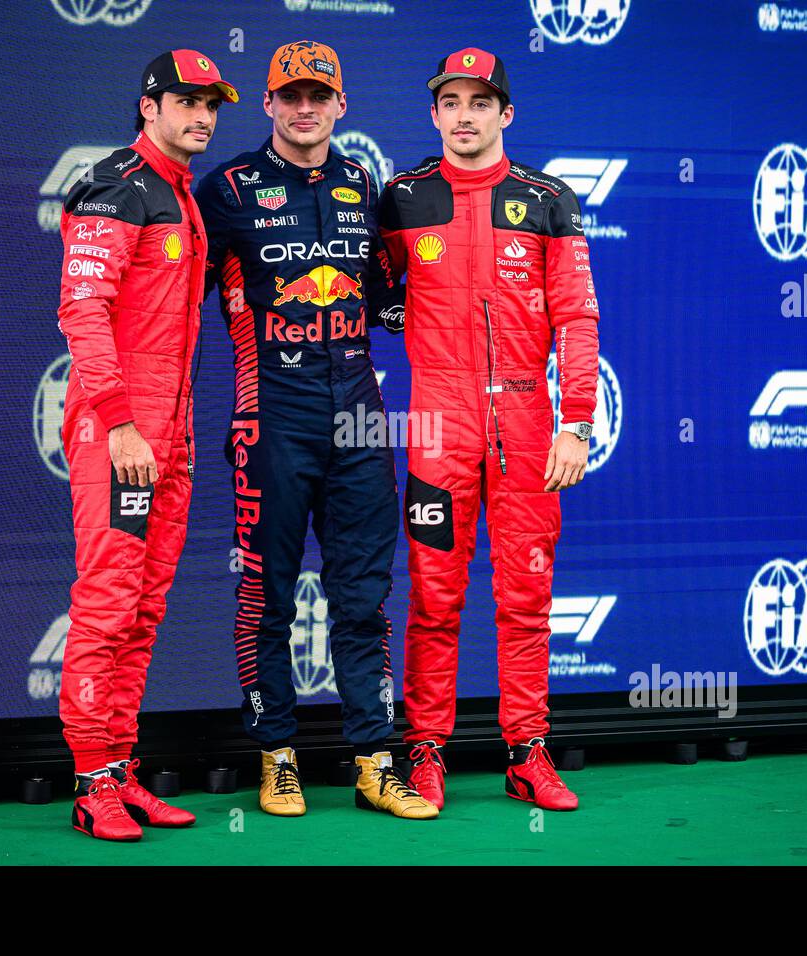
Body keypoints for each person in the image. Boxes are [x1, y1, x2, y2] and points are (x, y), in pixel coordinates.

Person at [194, 40, 434, 820]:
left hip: (359, 411)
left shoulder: (364, 184)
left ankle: (374, 760)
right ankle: (278, 756)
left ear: (340, 104)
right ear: (267, 104)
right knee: (269, 596)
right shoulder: (225, 189)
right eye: (290, 96)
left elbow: (391, 295)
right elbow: (172, 294)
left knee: (362, 595)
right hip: (272, 414)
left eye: (318, 95)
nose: (305, 108)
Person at [376, 48, 601, 812]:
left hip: (528, 425)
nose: (464, 116)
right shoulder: (402, 198)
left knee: (526, 597)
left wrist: (576, 421)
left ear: (506, 113)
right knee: (434, 597)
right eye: (451, 102)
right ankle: (426, 753)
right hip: (438, 422)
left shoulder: (548, 199)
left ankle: (526, 752)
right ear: (434, 113)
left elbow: (576, 315)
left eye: (480, 102)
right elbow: (369, 297)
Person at [56, 49, 238, 841]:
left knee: (145, 604)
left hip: (172, 429)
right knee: (106, 603)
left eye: (211, 106)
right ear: (150, 105)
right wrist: (122, 420)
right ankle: (91, 777)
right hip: (120, 430)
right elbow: (84, 311)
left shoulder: (179, 194)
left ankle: (119, 766)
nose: (201, 117)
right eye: (187, 103)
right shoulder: (118, 185)